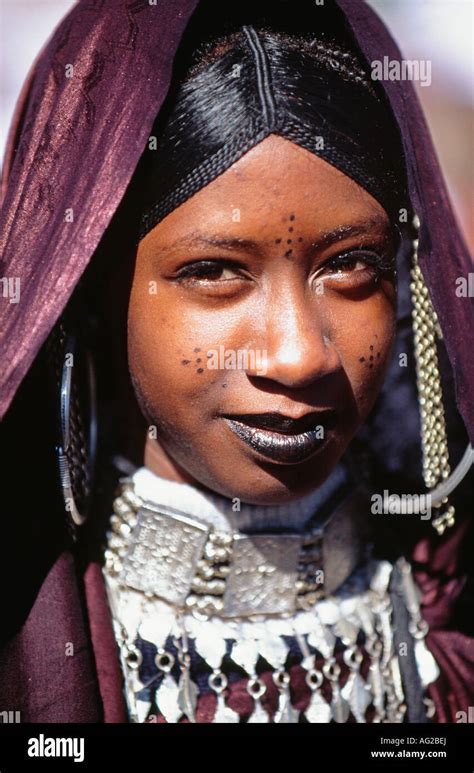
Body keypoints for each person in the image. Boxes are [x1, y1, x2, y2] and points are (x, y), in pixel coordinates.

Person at [0, 0, 472, 724]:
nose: (298, 355)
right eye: (215, 271)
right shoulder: (25, 657)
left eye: (351, 265)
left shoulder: (452, 631)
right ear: (88, 286)